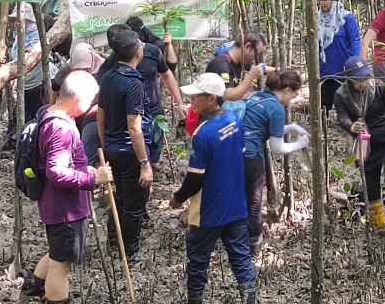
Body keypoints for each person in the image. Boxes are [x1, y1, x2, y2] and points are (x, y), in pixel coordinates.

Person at [15, 71, 113, 304]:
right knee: (61, 264)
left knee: (56, 253)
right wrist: (92, 179)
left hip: (56, 205)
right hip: (65, 208)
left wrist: (83, 169)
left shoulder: (48, 113)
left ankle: (28, 296)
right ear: (80, 99)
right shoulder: (61, 128)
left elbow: (58, 163)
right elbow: (56, 172)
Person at [169, 73, 258, 304]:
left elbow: (195, 178)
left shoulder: (203, 134)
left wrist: (178, 199)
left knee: (198, 260)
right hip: (236, 205)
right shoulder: (235, 121)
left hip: (208, 209)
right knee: (241, 257)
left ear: (212, 99)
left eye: (197, 96)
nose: (192, 101)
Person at [334, 56, 385, 233]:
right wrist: (351, 126)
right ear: (349, 79)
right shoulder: (341, 95)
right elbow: (342, 118)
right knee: (371, 185)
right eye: (359, 80)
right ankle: (378, 223)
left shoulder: (378, 86)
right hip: (366, 142)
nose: (363, 83)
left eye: (366, 78)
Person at [97, 30, 151, 260]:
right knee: (134, 203)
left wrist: (106, 144)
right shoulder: (133, 83)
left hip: (112, 148)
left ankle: (114, 243)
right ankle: (128, 250)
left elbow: (100, 115)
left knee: (119, 198)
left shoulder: (108, 76)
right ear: (137, 52)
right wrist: (144, 163)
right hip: (130, 152)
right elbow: (134, 126)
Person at [100, 21, 187, 163]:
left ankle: (150, 168)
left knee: (154, 151)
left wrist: (180, 103)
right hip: (129, 116)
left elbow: (167, 75)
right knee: (136, 157)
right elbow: (103, 90)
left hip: (153, 112)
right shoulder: (116, 60)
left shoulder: (152, 51)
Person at [240, 70, 304, 258]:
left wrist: (291, 127)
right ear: (287, 89)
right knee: (254, 203)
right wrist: (299, 144)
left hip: (234, 152)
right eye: (294, 94)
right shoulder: (277, 108)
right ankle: (254, 247)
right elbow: (277, 147)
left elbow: (263, 124)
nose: (292, 98)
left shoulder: (258, 96)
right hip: (251, 155)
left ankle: (236, 240)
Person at [316, 0, 361, 110]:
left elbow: (355, 40)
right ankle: (323, 122)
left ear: (334, 1)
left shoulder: (346, 18)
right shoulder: (317, 19)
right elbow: (315, 45)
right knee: (324, 104)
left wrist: (355, 63)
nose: (322, 3)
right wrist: (308, 38)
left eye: (326, 0)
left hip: (342, 69)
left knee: (345, 104)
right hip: (325, 69)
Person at [206, 30, 269, 102]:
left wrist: (276, 70)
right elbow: (227, 98)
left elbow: (261, 68)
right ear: (247, 46)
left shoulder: (241, 63)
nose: (256, 58)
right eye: (257, 53)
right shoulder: (221, 65)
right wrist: (250, 77)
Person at [9, 4, 46, 122]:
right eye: (14, 20)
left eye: (17, 19)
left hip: (36, 82)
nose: (15, 23)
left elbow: (32, 55)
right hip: (24, 82)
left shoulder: (36, 34)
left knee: (37, 114)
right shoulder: (21, 33)